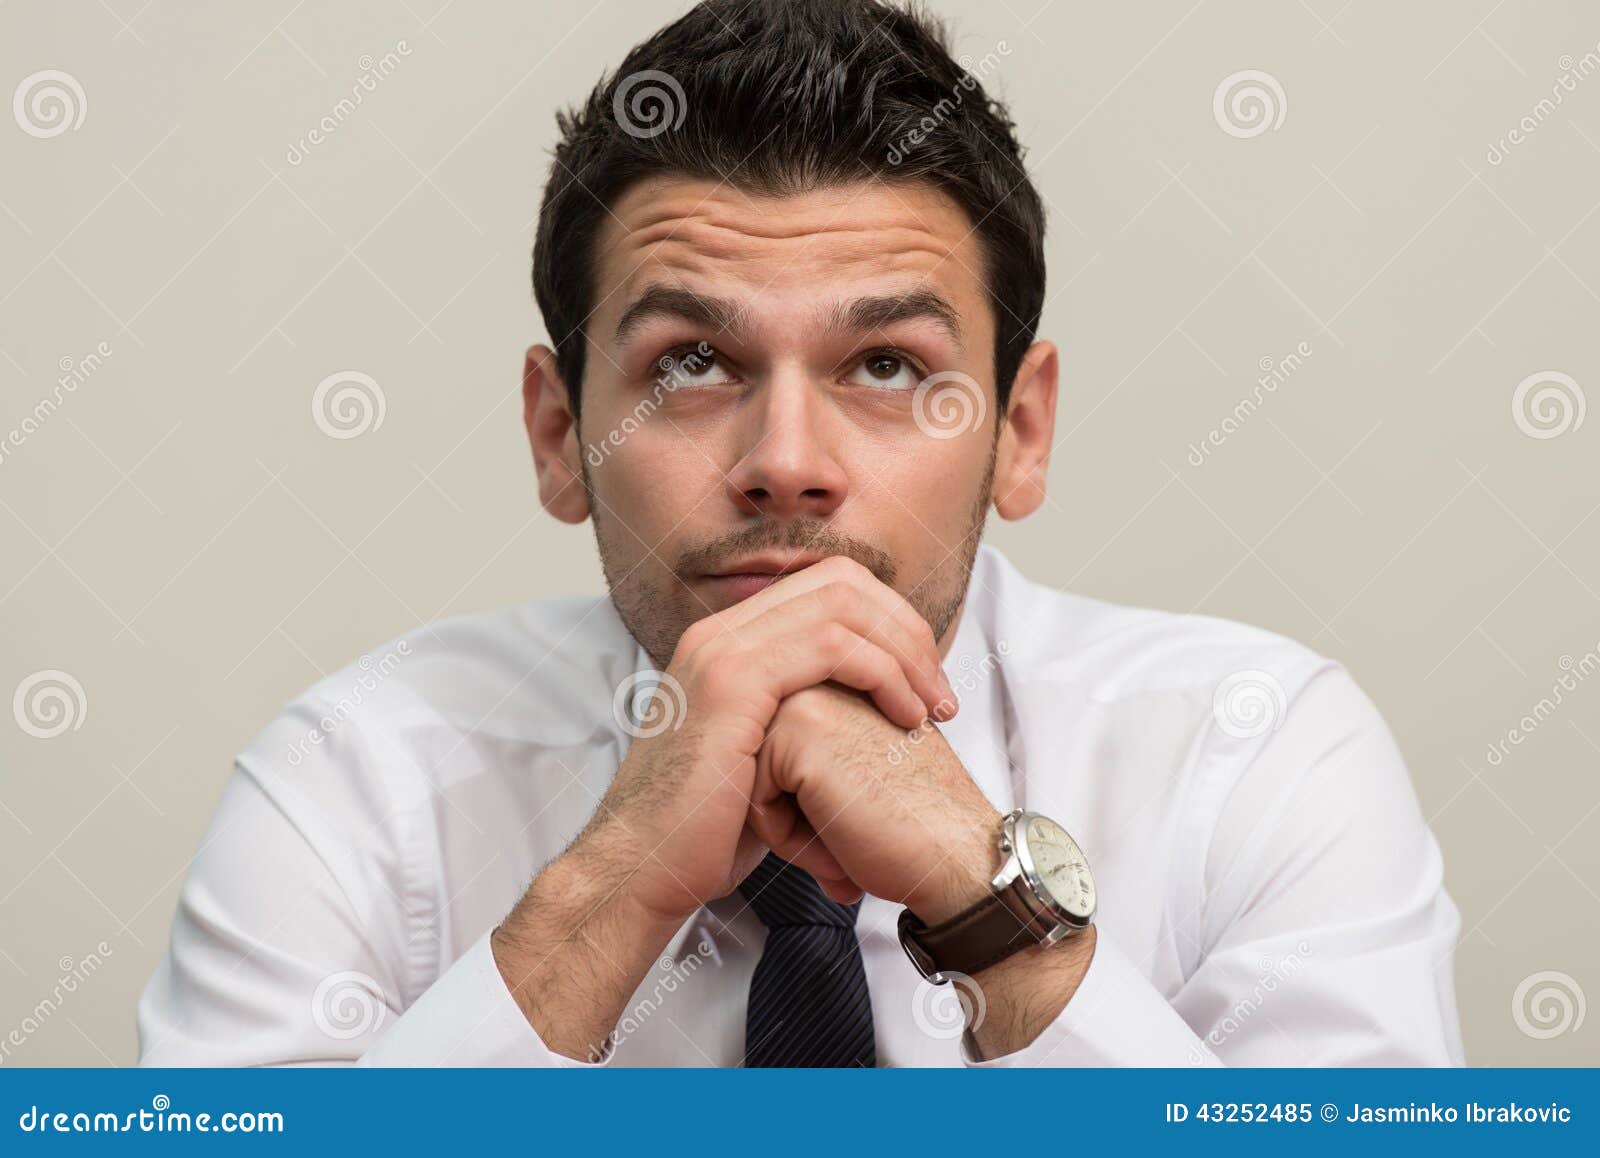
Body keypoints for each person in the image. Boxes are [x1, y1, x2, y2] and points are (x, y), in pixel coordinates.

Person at [138, 0, 1463, 1067]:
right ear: (558, 433)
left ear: (1021, 430)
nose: (784, 465)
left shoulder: (1259, 747)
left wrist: (997, 913)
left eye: (887, 366)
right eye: (691, 360)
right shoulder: (348, 783)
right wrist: (605, 893)